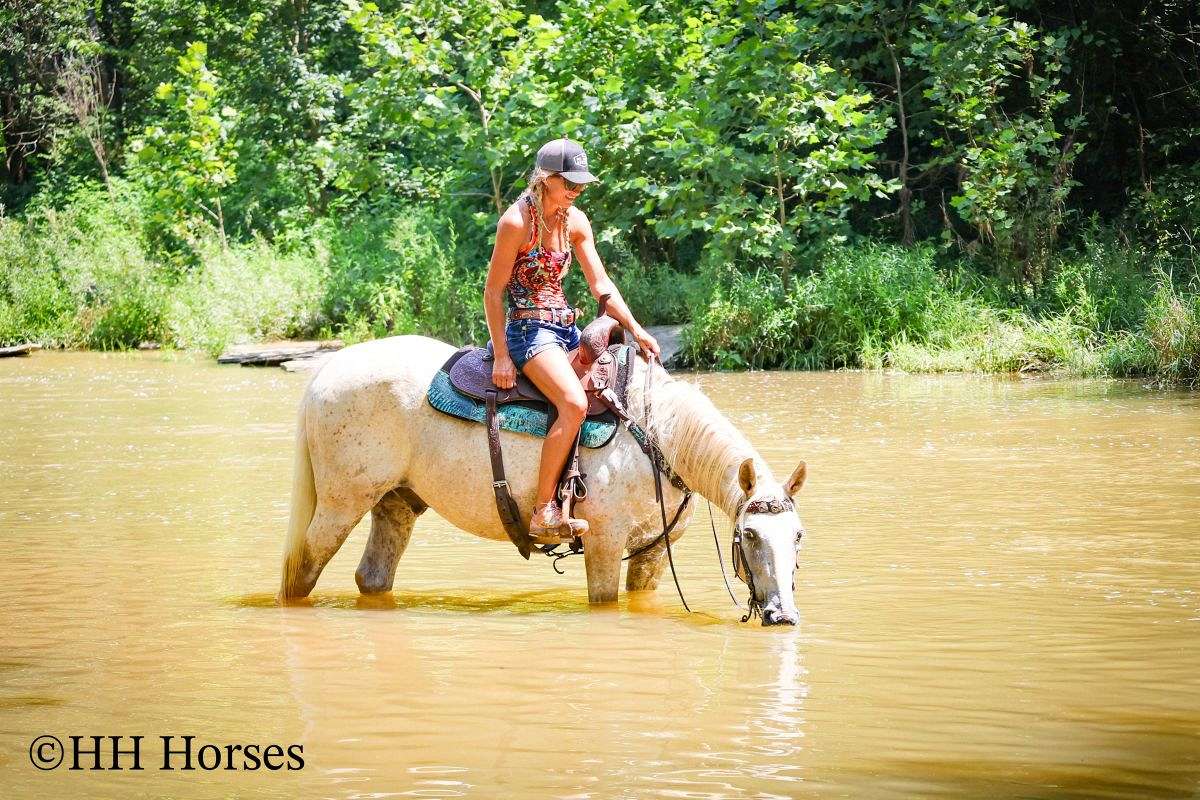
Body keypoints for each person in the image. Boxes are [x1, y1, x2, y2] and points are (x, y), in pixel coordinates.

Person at [483, 137, 661, 541]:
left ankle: (584, 491)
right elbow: (493, 292)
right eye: (570, 183)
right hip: (528, 331)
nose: (577, 191)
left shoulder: (575, 221)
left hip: (566, 328)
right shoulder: (517, 222)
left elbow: (601, 284)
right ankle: (543, 509)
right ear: (546, 178)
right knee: (573, 403)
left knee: (614, 392)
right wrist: (502, 357)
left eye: (581, 185)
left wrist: (635, 329)